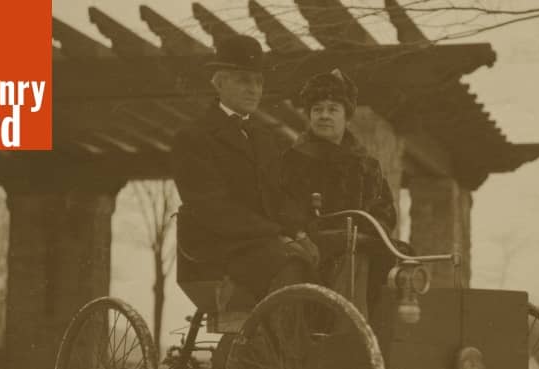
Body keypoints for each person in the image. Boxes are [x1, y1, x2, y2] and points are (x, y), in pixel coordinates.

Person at [172, 34, 319, 302]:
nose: (253, 89)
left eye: (258, 82)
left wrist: (298, 232)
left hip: (263, 241)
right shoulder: (194, 137)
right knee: (291, 264)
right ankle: (277, 329)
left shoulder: (265, 137)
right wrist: (278, 235)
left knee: (330, 255)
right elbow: (211, 207)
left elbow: (280, 194)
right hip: (220, 245)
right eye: (243, 81)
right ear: (219, 83)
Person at [278, 69, 401, 315]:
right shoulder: (292, 161)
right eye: (317, 109)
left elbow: (385, 212)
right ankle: (350, 327)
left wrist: (368, 230)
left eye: (333, 109)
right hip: (312, 247)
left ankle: (391, 328)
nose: (324, 115)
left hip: (359, 241)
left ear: (346, 117)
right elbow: (284, 209)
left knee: (402, 258)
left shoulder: (367, 165)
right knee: (353, 253)